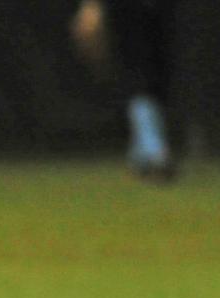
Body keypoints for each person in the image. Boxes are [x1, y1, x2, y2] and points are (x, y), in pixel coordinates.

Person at [71, 0, 179, 181]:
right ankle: (156, 156)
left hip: (150, 16)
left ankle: (142, 159)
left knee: (146, 86)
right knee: (140, 85)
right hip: (133, 14)